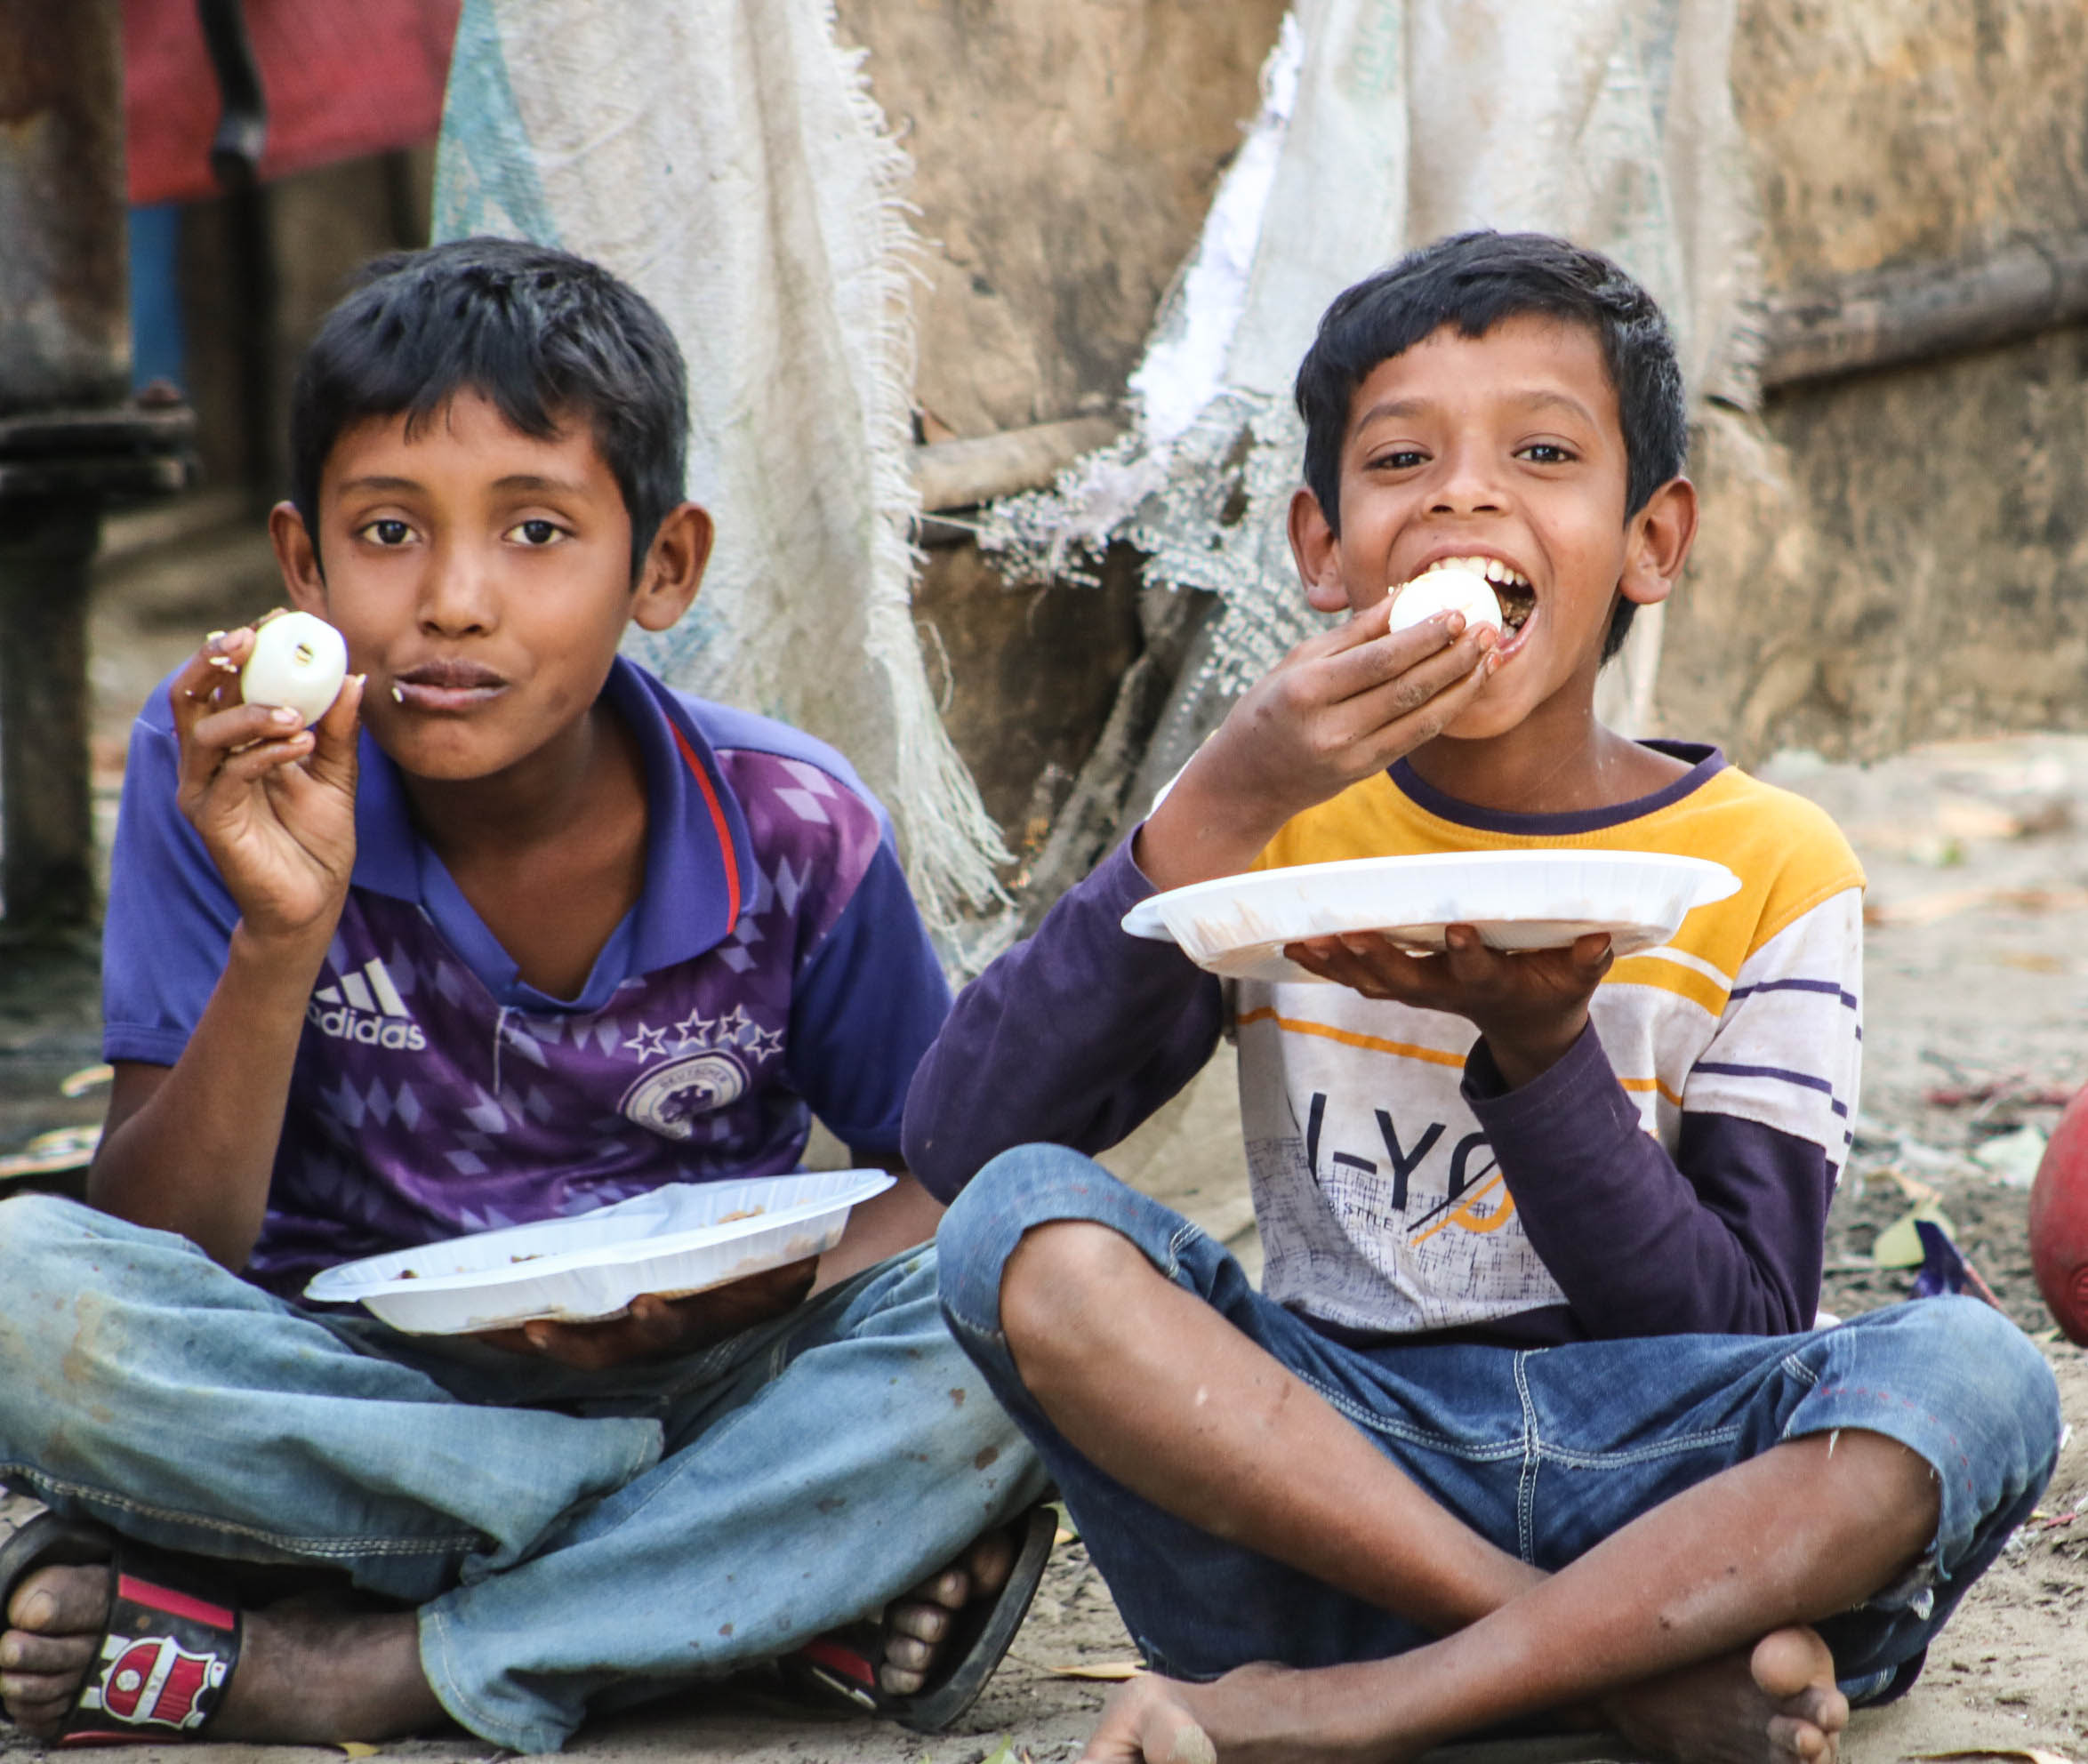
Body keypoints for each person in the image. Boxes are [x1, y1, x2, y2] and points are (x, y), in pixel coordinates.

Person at [906, 232, 2061, 1763]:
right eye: (1403, 458)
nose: (1462, 493)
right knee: (1019, 1234)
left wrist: (1541, 1048)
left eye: (1539, 449)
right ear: (1323, 547)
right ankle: (1598, 1678)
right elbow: (963, 1136)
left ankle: (1363, 1710)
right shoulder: (1276, 826)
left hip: (1669, 1485)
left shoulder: (1769, 866)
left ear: (1649, 539)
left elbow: (1743, 1327)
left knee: (1977, 1372)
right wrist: (1216, 806)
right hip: (1334, 1490)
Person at [0, 237, 1050, 1753]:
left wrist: (753, 1301)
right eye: (388, 532)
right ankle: (717, 1577)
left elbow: (950, 1179)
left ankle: (366, 1661)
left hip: (707, 1379)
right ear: (303, 565)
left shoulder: (792, 828)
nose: (455, 601)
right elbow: (161, 1244)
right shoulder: (215, 775)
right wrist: (283, 933)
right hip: (347, 1395)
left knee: (1019, 1312)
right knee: (22, 1286)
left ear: (663, 566)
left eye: (539, 529)